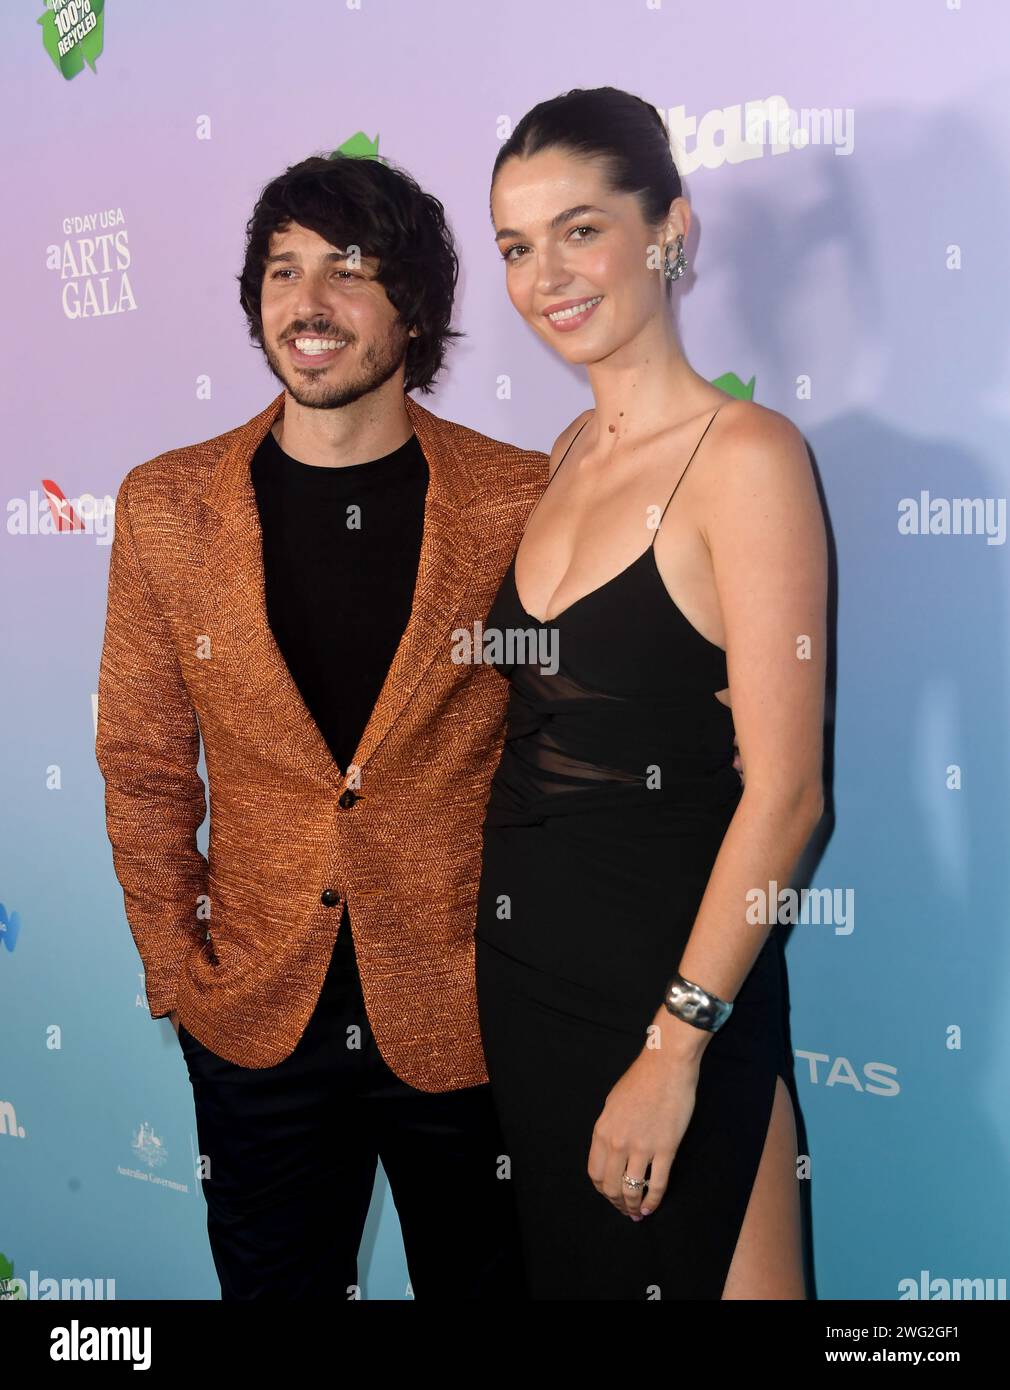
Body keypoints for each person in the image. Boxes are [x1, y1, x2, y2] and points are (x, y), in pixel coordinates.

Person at [94, 153, 553, 1300]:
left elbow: (566, 749)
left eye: (347, 273)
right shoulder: (166, 504)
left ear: (416, 307)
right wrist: (177, 970)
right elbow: (145, 760)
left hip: (470, 1010)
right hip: (255, 1014)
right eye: (282, 271)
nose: (307, 305)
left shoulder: (520, 498)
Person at [474, 87, 827, 1300]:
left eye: (579, 229)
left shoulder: (748, 458)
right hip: (526, 989)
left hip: (679, 989)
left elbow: (785, 799)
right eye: (516, 246)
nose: (543, 276)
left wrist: (675, 1043)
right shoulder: (560, 458)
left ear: (666, 227)